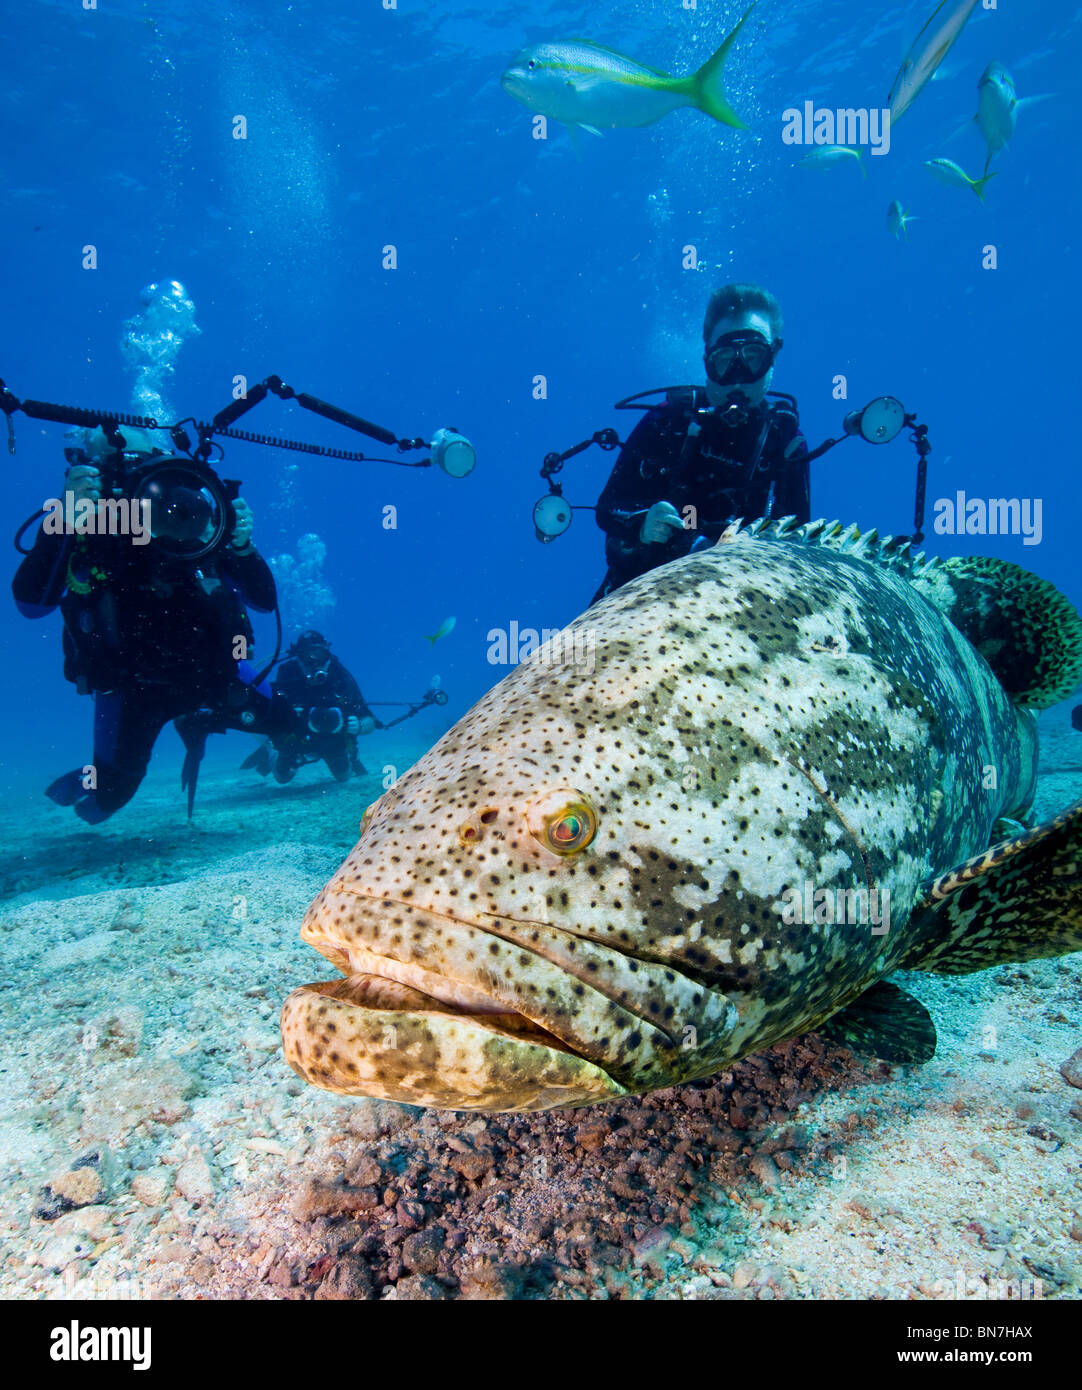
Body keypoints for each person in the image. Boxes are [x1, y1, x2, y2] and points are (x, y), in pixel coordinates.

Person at [12, 427, 290, 822]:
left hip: (217, 674)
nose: (129, 474)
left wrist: (243, 547)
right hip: (133, 689)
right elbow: (31, 605)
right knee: (105, 803)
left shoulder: (193, 517)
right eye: (110, 465)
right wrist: (62, 523)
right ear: (85, 470)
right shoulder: (86, 526)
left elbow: (263, 602)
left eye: (139, 462)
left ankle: (200, 720)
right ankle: (94, 780)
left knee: (293, 726)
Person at [593, 282, 810, 600]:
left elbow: (797, 546)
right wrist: (641, 521)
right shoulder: (667, 420)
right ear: (707, 358)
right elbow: (608, 508)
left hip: (740, 602)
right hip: (642, 589)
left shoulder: (786, 443)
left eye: (753, 356)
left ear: (773, 357)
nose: (738, 373)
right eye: (725, 359)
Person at [242, 630, 380, 784]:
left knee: (343, 777)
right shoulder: (288, 673)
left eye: (319, 654)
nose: (314, 661)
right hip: (297, 740)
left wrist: (359, 726)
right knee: (282, 777)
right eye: (306, 655)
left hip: (332, 740)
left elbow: (369, 719)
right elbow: (269, 715)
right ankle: (270, 752)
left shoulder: (340, 675)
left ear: (327, 655)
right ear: (298, 657)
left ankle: (346, 757)